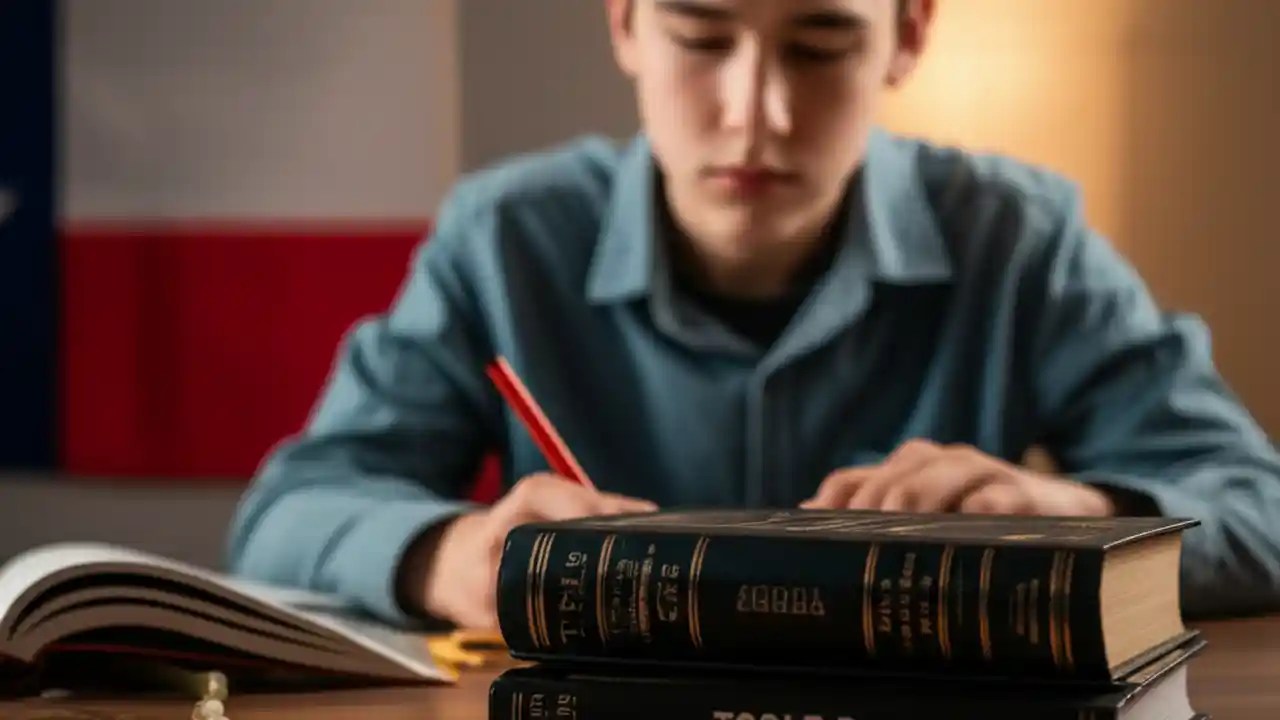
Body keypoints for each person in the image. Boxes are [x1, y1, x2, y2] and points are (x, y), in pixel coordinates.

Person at [225, 0, 1280, 631]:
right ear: (626, 23)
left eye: (818, 47)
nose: (754, 113)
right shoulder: (502, 237)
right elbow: (286, 515)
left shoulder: (1018, 239)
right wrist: (449, 557)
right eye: (699, 34)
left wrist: (1080, 521)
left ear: (907, 35)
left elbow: (1258, 510)